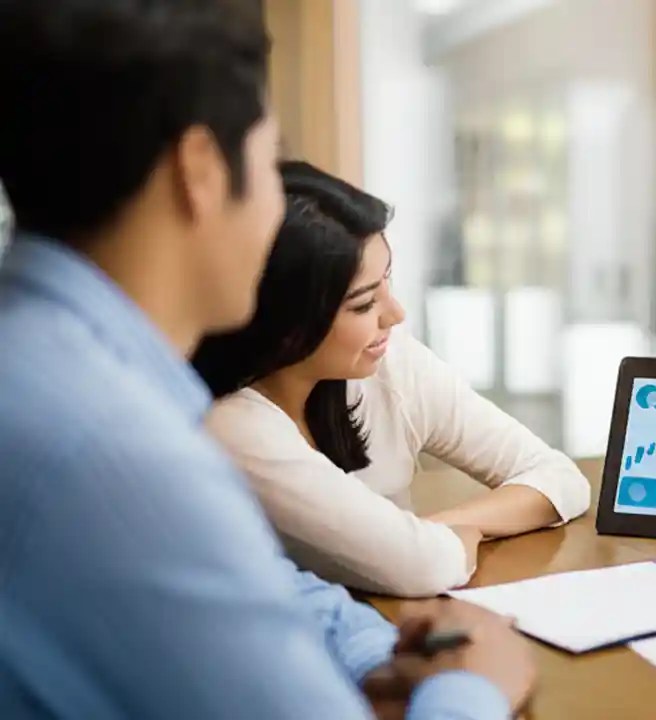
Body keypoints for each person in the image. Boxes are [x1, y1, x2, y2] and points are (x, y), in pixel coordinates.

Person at [0, 2, 533, 718]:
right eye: (266, 157)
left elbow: (266, 587)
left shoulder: (63, 372)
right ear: (200, 170)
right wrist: (474, 682)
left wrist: (375, 648)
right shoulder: (111, 448)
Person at [191, 161, 590, 597]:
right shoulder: (233, 427)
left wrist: (425, 533)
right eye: (363, 304)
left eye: (387, 282)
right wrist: (412, 545)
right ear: (286, 324)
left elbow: (559, 479)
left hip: (402, 631)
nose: (396, 315)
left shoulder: (390, 365)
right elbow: (421, 567)